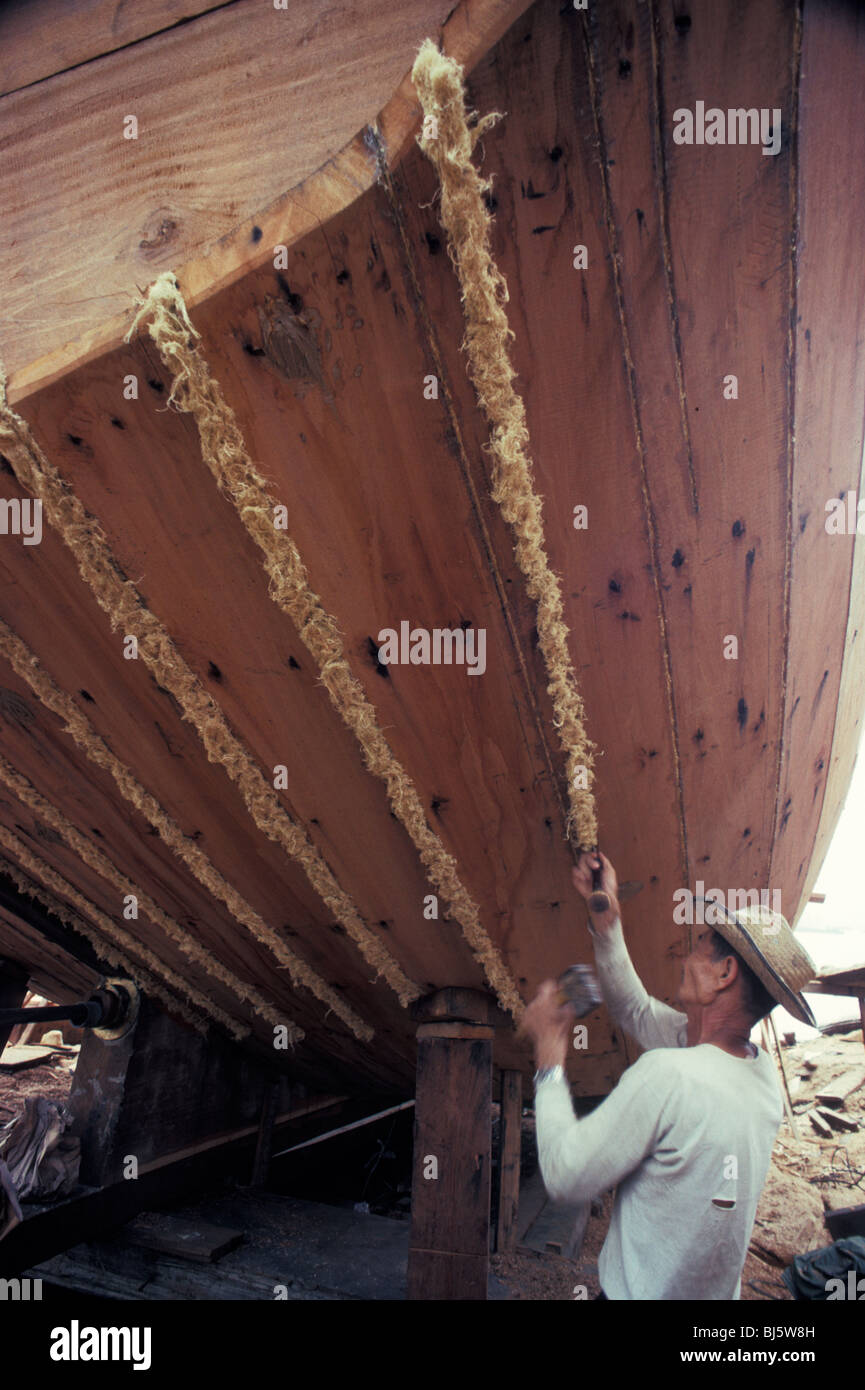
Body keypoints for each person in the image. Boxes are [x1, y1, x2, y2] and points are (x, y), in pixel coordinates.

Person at [520, 851, 817, 1300]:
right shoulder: (758, 1076)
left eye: (699, 944)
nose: (685, 954)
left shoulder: (669, 1076)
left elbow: (565, 1175)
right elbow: (635, 1010)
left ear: (724, 972)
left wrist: (549, 1055)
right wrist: (607, 922)